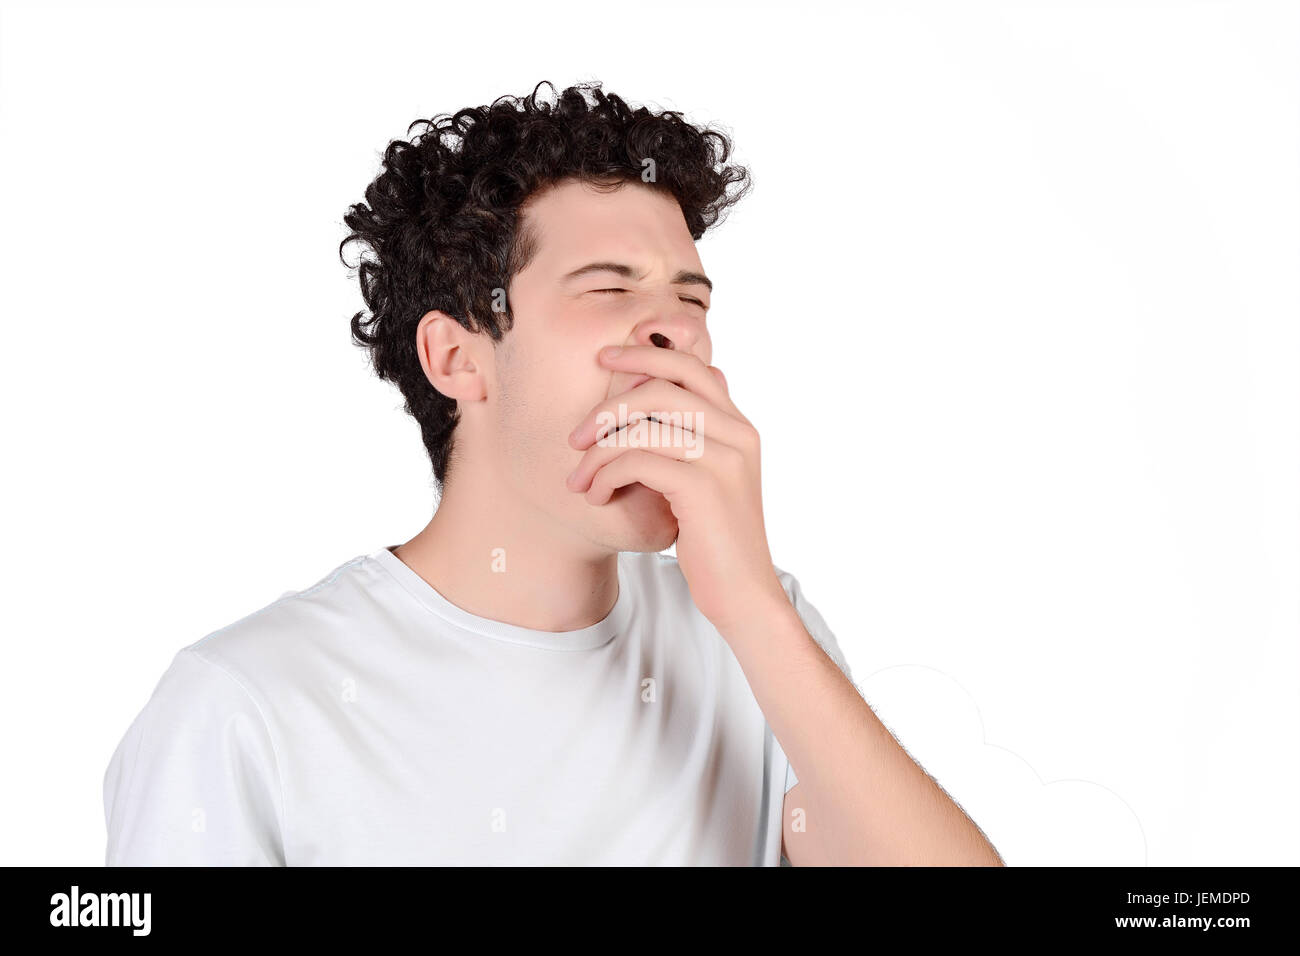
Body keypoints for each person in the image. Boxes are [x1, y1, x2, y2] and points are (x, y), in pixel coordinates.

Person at [103, 80, 1003, 866]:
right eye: (609, 290)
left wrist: (753, 607)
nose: (675, 332)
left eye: (691, 301)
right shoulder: (243, 709)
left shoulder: (756, 642)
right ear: (458, 358)